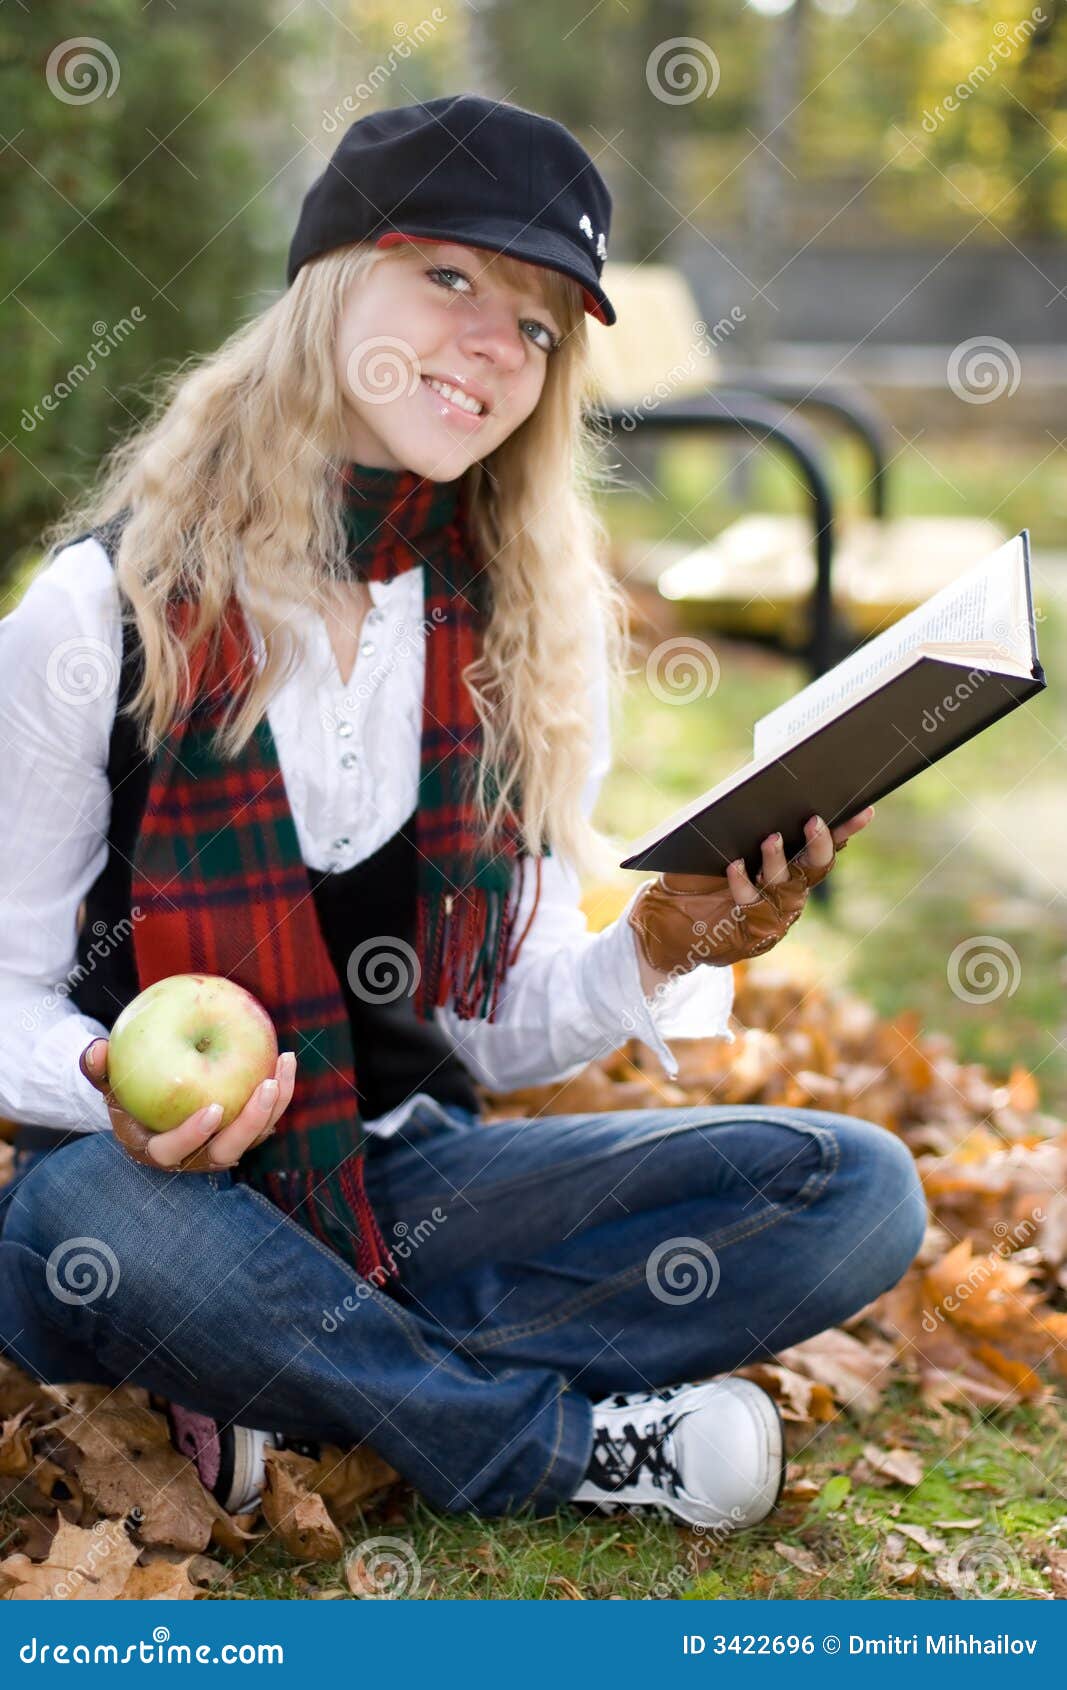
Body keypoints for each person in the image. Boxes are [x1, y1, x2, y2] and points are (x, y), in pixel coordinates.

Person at [0, 93, 925, 1535]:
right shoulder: (95, 615)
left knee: (851, 1191)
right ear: (329, 282)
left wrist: (660, 947)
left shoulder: (524, 630)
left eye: (544, 324)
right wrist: (117, 1073)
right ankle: (554, 1443)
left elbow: (493, 1020)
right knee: (81, 1233)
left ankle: (292, 1372)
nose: (500, 348)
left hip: (401, 1173)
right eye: (452, 279)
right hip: (152, 1194)